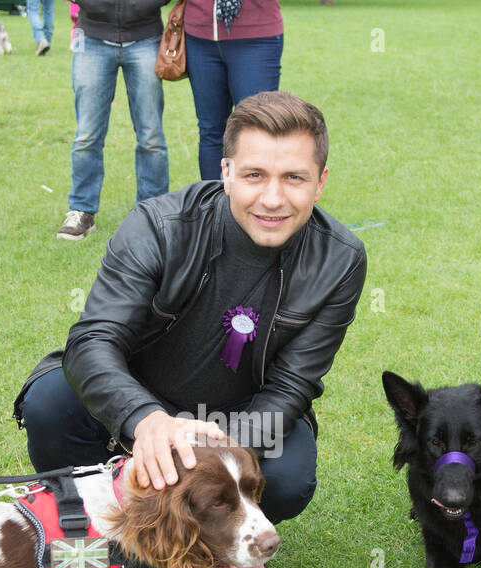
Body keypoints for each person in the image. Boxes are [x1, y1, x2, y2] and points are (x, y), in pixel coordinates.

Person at [20, 91, 366, 529]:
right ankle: (91, 523)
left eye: (294, 178)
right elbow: (93, 340)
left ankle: (212, 540)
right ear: (226, 172)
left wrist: (214, 451)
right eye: (255, 175)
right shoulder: (157, 226)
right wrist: (145, 420)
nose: (273, 198)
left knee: (288, 475)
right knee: (51, 403)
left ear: (321, 181)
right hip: (141, 391)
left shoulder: (341, 259)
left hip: (238, 413)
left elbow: (292, 386)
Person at [58, 0, 171, 239]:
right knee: (87, 135)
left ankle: (154, 212)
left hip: (145, 36)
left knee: (151, 136)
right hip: (92, 37)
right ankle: (82, 210)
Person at [183, 0, 284, 182]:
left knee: (257, 128)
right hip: (200, 36)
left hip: (256, 37)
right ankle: (213, 205)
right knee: (210, 130)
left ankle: (254, 203)